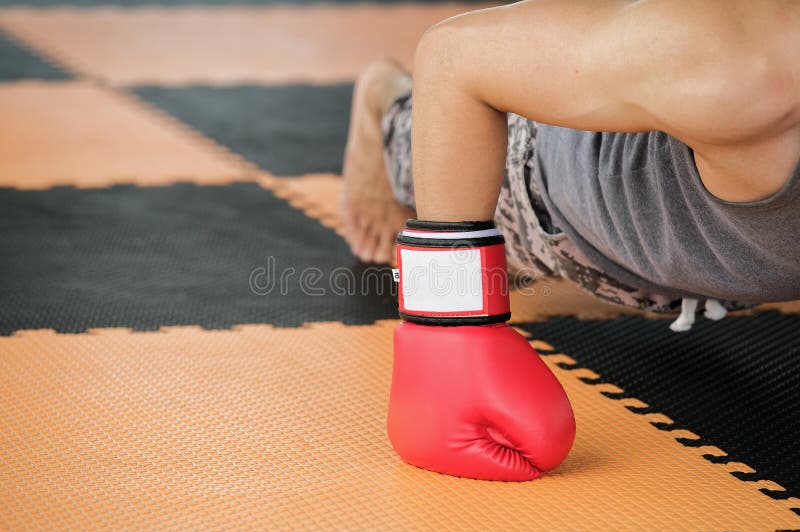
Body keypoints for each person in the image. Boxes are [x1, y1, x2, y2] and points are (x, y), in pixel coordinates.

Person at [341, 0, 800, 331]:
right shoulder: (748, 74)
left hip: (740, 253)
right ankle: (386, 101)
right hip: (569, 201)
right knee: (438, 156)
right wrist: (449, 328)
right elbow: (451, 56)